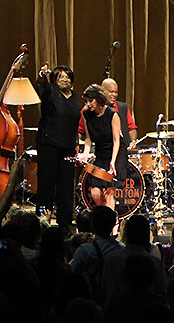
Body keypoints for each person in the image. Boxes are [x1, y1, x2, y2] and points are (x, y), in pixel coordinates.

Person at [35, 64, 83, 233]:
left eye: (68, 76)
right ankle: (42, 221)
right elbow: (42, 86)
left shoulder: (75, 96)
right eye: (61, 76)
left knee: (66, 185)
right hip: (49, 143)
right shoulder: (50, 92)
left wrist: (77, 142)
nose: (65, 79)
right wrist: (42, 75)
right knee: (46, 183)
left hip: (68, 145)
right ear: (54, 79)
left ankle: (64, 222)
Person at [79, 84, 125, 210]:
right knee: (95, 192)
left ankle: (111, 226)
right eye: (86, 101)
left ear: (98, 99)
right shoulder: (86, 114)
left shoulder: (112, 114)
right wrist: (85, 154)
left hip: (116, 153)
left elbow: (117, 140)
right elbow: (88, 138)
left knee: (109, 192)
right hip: (101, 153)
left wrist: (113, 162)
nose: (88, 104)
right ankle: (106, 217)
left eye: (90, 101)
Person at [78, 77, 139, 150]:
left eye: (116, 92)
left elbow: (131, 129)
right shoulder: (88, 110)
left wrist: (133, 142)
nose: (114, 94)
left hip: (121, 150)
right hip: (99, 150)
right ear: (102, 91)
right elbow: (80, 132)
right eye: (111, 91)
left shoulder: (122, 107)